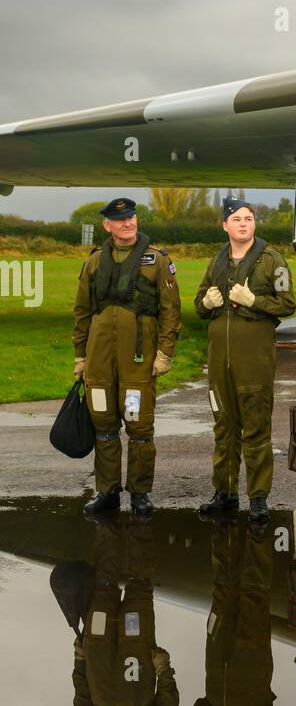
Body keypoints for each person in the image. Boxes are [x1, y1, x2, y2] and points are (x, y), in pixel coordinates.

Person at [61, 520, 179, 706]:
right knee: (140, 590)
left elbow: (82, 702)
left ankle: (107, 522)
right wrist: (164, 671)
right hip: (136, 665)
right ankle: (142, 519)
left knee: (104, 587)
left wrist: (79, 661)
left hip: (98, 660)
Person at [72, 197, 182, 518]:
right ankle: (107, 491)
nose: (128, 223)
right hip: (99, 358)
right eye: (120, 220)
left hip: (139, 358)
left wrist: (165, 352)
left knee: (138, 426)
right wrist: (80, 355)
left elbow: (171, 311)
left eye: (131, 218)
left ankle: (140, 493)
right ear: (108, 225)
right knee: (103, 423)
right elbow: (81, 311)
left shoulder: (157, 260)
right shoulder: (93, 262)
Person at [195, 198, 296, 522]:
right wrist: (207, 303)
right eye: (236, 219)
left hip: (254, 358)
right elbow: (198, 305)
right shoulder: (217, 261)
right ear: (225, 225)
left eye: (249, 218)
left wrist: (254, 300)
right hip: (220, 360)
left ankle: (258, 498)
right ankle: (224, 492)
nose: (243, 223)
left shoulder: (272, 261)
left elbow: (287, 304)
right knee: (224, 429)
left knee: (255, 429)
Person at [192, 521, 291, 706]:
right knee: (253, 597)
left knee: (223, 593)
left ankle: (224, 528)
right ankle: (259, 531)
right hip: (252, 662)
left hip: (217, 658)